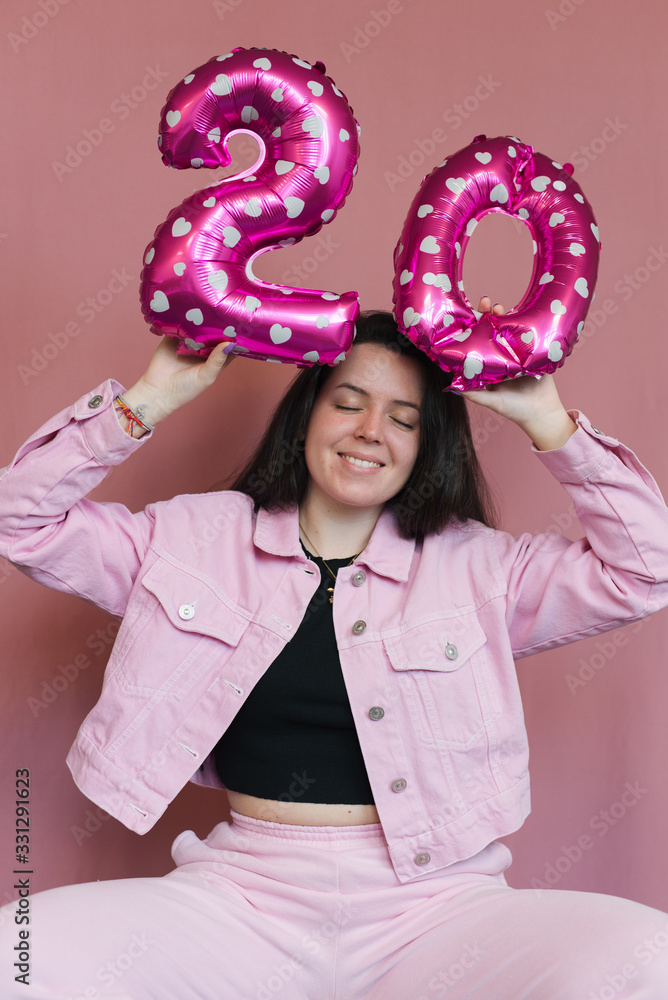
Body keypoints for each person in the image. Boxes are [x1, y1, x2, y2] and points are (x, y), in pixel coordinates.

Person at [1, 299, 668, 999]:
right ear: (308, 417)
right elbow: (21, 521)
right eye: (348, 403)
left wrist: (548, 422)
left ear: (426, 445)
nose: (371, 432)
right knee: (18, 954)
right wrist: (147, 401)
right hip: (241, 905)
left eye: (404, 419)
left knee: (647, 959)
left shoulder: (483, 569)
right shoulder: (191, 539)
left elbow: (647, 569)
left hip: (436, 913)